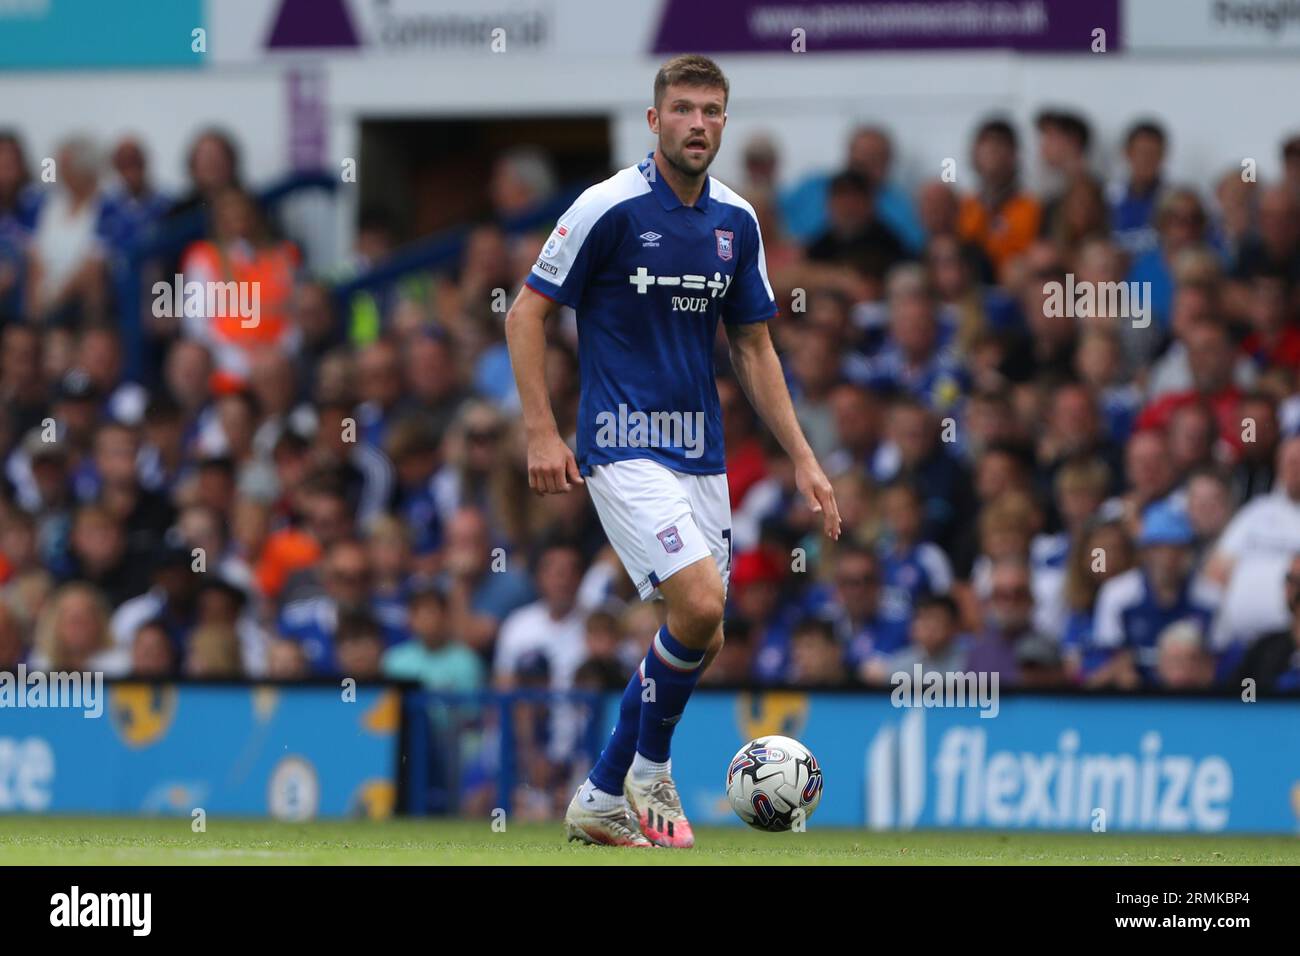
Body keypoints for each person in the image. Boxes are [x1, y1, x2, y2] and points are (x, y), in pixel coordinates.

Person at [505, 54, 840, 848]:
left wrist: (802, 455)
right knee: (696, 606)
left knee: (706, 630)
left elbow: (754, 349)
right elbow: (526, 314)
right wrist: (541, 429)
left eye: (713, 110)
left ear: (725, 121)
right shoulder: (608, 207)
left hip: (702, 455)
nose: (699, 123)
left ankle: (597, 794)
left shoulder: (737, 221)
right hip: (620, 446)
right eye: (684, 109)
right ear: (654, 122)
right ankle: (650, 768)